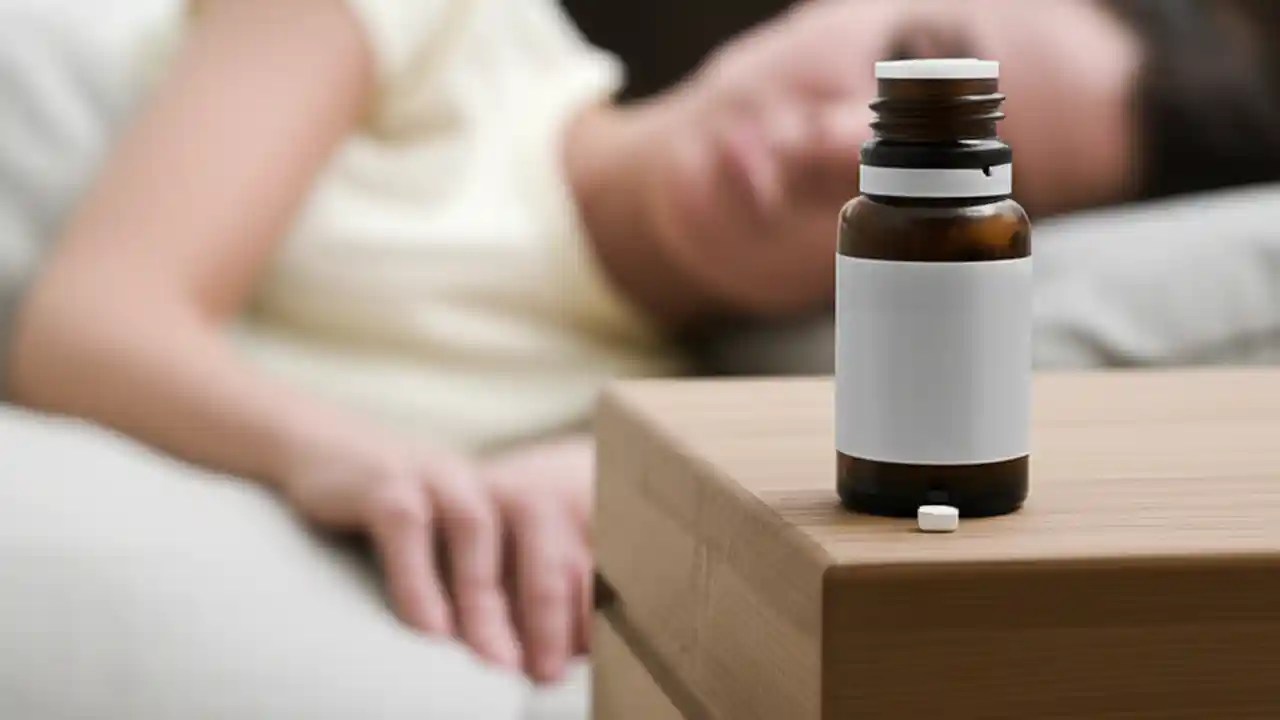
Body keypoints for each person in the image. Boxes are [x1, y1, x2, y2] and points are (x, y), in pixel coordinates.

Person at [7, 0, 1254, 687]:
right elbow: (87, 328)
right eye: (900, 64)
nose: (840, 139)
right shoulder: (443, 27)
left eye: (940, 160)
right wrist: (346, 454)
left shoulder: (656, 430)